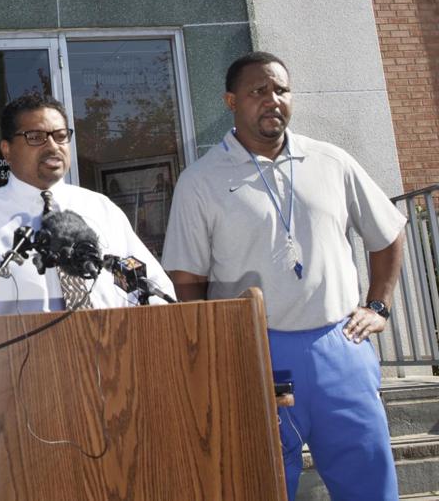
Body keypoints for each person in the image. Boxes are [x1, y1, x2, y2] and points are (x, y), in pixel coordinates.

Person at [162, 51, 405, 501]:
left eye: (281, 90)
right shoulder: (200, 180)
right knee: (260, 484)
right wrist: (210, 356)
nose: (272, 99)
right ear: (231, 101)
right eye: (258, 91)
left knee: (370, 483)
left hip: (342, 345)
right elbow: (187, 280)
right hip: (255, 352)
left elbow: (388, 233)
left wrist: (378, 306)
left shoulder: (332, 161)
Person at [0, 94, 174, 373]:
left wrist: (163, 327)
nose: (53, 146)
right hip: (16, 375)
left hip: (109, 367)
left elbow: (150, 283)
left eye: (61, 136)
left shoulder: (101, 210)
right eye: (36, 137)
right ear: (6, 149)